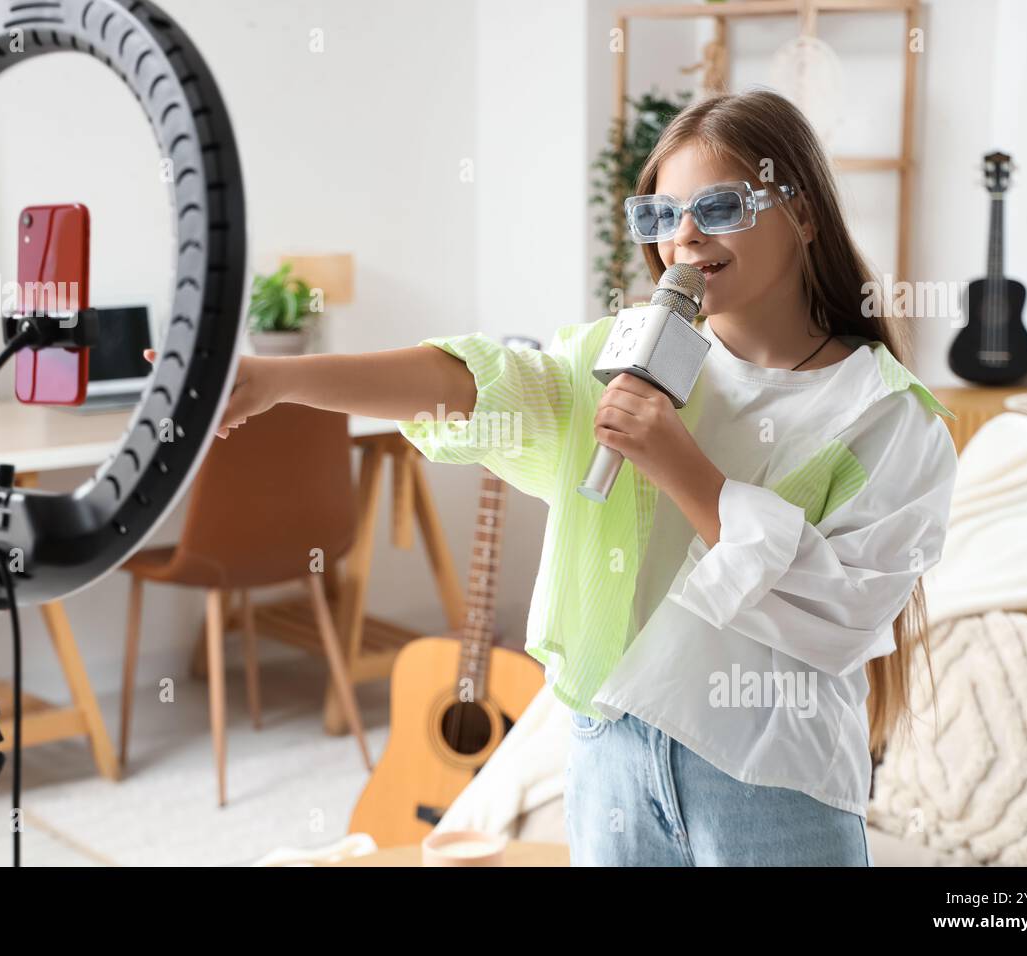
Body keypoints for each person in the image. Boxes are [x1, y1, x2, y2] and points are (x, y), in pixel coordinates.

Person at [165, 89, 958, 866]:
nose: (682, 239)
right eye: (659, 216)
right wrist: (276, 382)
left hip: (770, 778)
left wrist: (683, 467)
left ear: (805, 213)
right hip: (606, 752)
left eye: (719, 209)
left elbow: (840, 613)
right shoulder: (621, 355)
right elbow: (477, 382)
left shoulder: (888, 417)